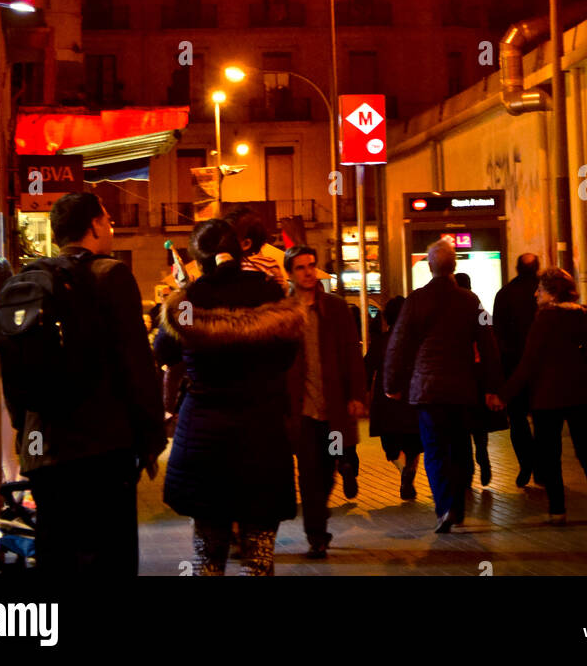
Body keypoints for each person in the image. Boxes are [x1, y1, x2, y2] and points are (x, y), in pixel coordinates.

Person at [14, 192, 166, 575]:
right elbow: (136, 363)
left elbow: (13, 371)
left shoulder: (29, 280)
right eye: (107, 218)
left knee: (57, 553)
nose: (111, 224)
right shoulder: (111, 275)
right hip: (102, 448)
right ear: (94, 225)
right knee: (108, 555)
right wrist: (150, 438)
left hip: (44, 448)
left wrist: (25, 434)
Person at [154, 219, 303, 575]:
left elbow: (164, 353)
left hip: (205, 436)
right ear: (242, 251)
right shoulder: (270, 292)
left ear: (199, 259)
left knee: (208, 554)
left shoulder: (189, 299)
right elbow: (288, 355)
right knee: (259, 556)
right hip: (262, 432)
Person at [384, 240, 499, 533]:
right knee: (460, 448)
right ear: (455, 266)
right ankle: (458, 510)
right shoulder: (471, 301)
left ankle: (445, 508)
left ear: (429, 266)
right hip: (462, 388)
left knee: (434, 450)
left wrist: (392, 383)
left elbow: (398, 345)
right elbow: (488, 343)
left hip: (427, 389)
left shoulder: (415, 300)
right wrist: (492, 385)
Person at [500, 267, 587, 529]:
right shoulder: (583, 318)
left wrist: (504, 395)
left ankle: (557, 511)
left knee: (549, 454)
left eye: (540, 288)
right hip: (585, 393)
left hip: (549, 397)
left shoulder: (544, 319)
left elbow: (528, 363)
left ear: (551, 293)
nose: (535, 293)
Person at [284, 245, 367, 559]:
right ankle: (316, 534)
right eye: (301, 267)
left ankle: (328, 496)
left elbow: (351, 355)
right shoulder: (284, 310)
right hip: (302, 410)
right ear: (290, 274)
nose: (308, 272)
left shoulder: (334, 308)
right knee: (308, 472)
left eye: (311, 266)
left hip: (332, 408)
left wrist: (357, 395)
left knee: (327, 469)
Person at [364, 296, 422, 499]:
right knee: (414, 444)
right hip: (412, 401)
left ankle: (404, 471)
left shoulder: (380, 342)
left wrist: (358, 394)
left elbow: (367, 368)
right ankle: (409, 473)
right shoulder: (417, 342)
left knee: (391, 447)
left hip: (386, 403)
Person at [493, 253, 540, 487]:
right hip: (542, 369)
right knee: (543, 419)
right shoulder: (544, 293)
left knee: (518, 418)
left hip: (513, 367)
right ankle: (542, 467)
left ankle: (526, 463)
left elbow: (498, 334)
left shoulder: (504, 294)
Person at [455, 274, 504, 488]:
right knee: (480, 425)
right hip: (480, 374)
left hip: (462, 375)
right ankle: (482, 455)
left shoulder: (453, 310)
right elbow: (490, 343)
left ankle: (467, 472)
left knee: (463, 426)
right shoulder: (480, 308)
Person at [222, 204, 288, 291]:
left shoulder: (233, 267)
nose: (223, 242)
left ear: (246, 244)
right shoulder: (269, 263)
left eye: (229, 238)